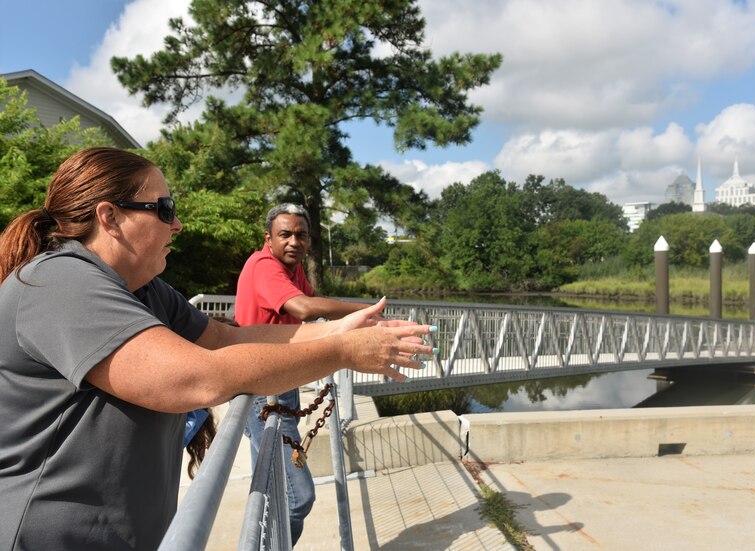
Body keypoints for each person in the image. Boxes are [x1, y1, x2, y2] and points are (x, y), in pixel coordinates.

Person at [0, 147, 434, 550]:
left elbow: (228, 337)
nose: (177, 224)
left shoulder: (145, 290)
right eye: (164, 209)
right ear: (110, 217)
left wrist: (339, 331)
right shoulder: (59, 283)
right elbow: (197, 377)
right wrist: (344, 353)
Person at [235, 203, 374, 544]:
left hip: (282, 385)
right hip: (263, 392)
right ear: (268, 238)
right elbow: (302, 307)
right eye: (285, 234)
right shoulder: (265, 266)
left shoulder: (291, 270)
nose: (293, 241)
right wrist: (365, 311)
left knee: (268, 494)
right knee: (298, 498)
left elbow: (310, 305)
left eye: (301, 235)